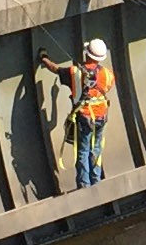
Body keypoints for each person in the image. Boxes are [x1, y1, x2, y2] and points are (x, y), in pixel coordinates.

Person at [41, 38, 116, 188]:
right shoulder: (108, 74)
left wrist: (44, 58)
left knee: (83, 149)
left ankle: (84, 184)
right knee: (96, 149)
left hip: (85, 117)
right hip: (102, 116)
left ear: (87, 54)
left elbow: (55, 69)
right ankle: (96, 180)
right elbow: (106, 89)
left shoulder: (75, 72)